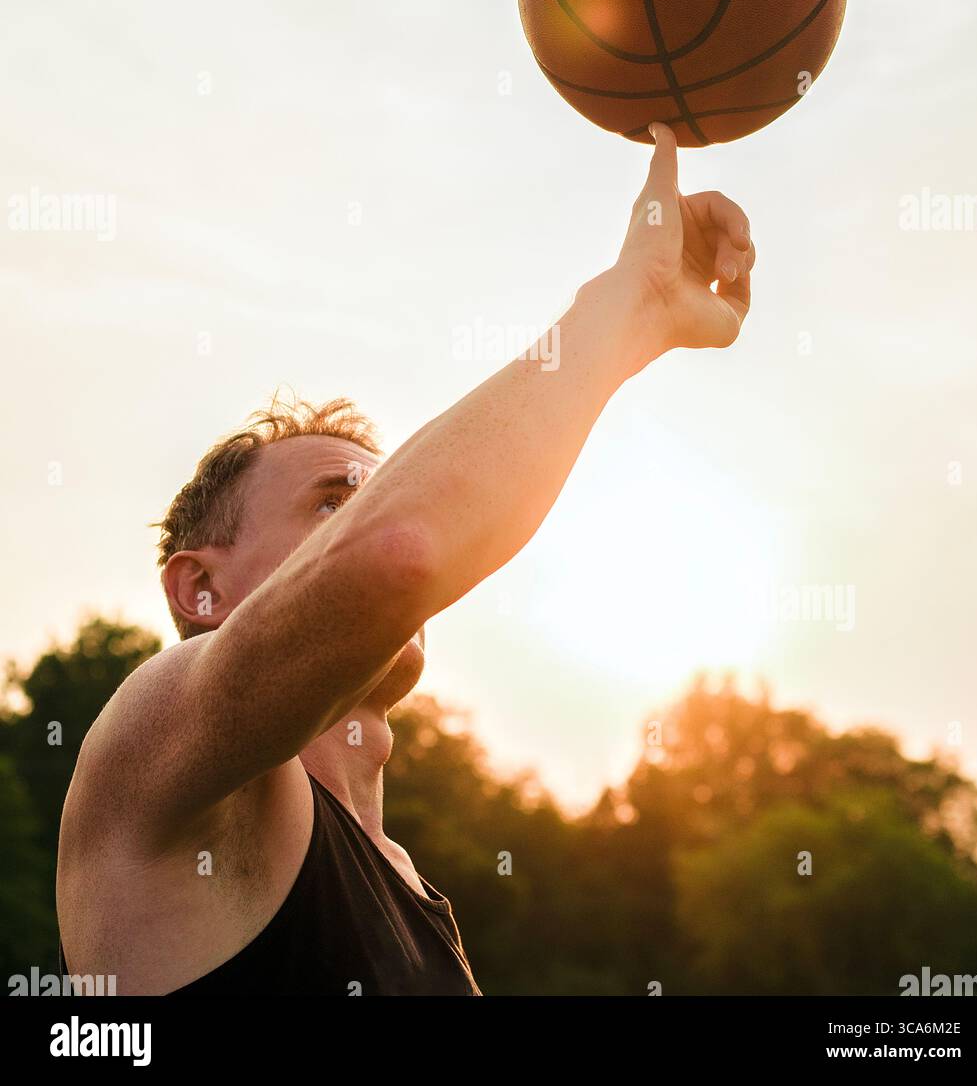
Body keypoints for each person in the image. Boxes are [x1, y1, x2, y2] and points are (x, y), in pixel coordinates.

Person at [55, 122, 756, 995]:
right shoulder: (152, 753)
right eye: (330, 504)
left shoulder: (416, 890)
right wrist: (633, 300)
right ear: (200, 586)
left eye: (374, 497)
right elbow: (395, 549)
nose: (369, 519)